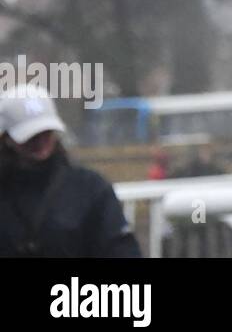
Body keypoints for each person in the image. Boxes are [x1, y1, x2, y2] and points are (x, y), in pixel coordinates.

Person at [0, 85, 142, 257]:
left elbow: (121, 249)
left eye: (47, 133)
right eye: (30, 136)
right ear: (6, 138)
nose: (40, 142)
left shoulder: (90, 188)